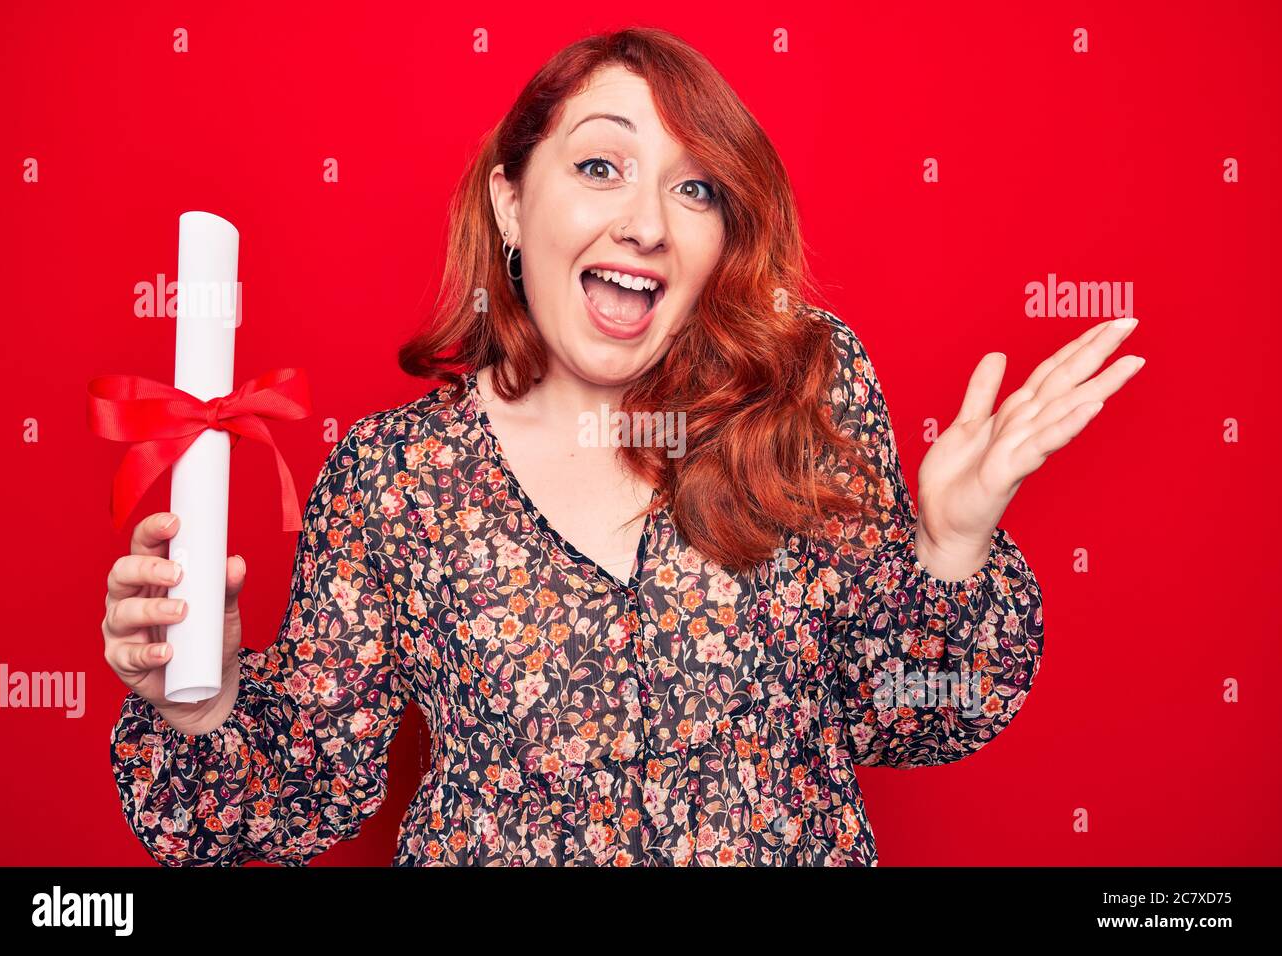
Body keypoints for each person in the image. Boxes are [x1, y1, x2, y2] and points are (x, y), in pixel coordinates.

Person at [102, 28, 1143, 866]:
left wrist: (952, 543)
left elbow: (906, 718)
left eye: (696, 188)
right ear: (512, 199)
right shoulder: (396, 477)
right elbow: (277, 807)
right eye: (601, 165)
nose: (646, 221)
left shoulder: (801, 389)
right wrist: (199, 691)